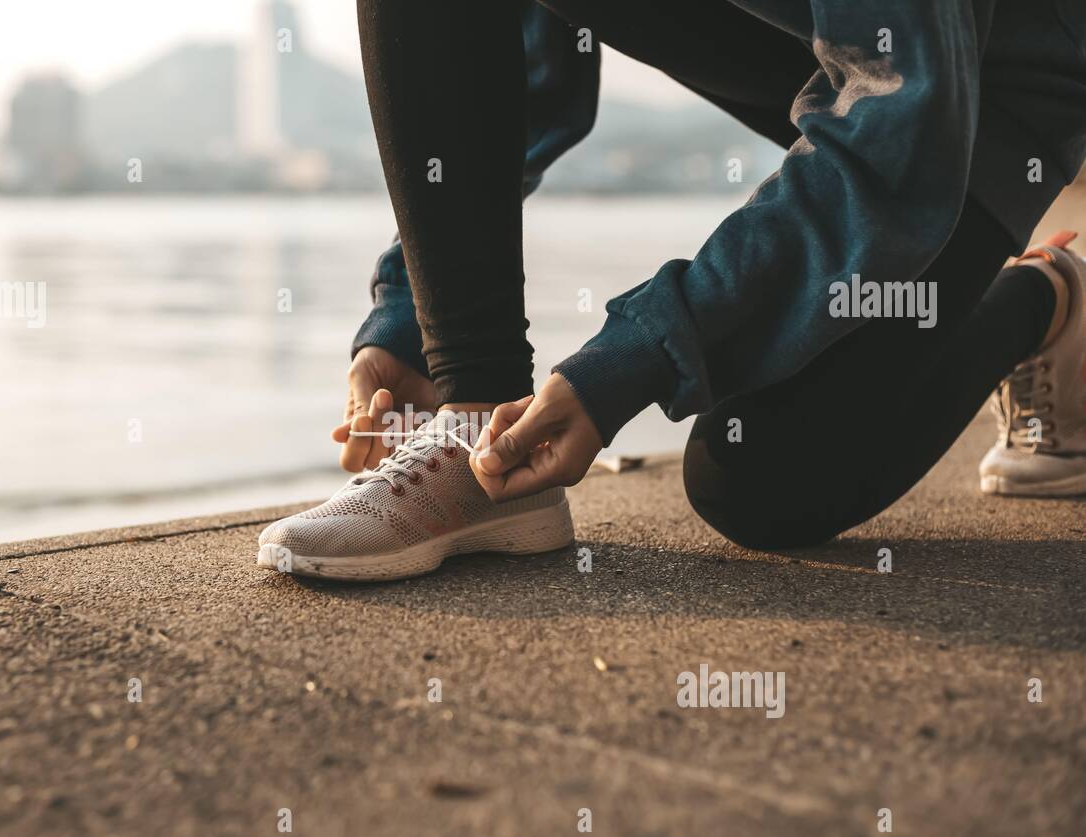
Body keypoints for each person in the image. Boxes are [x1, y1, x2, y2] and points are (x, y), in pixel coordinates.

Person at [257, 0, 1086, 581]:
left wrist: (638, 357)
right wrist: (424, 316)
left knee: (760, 480)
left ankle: (1051, 292)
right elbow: (528, 73)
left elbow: (907, 117)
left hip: (995, 86)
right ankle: (477, 441)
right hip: (831, 48)